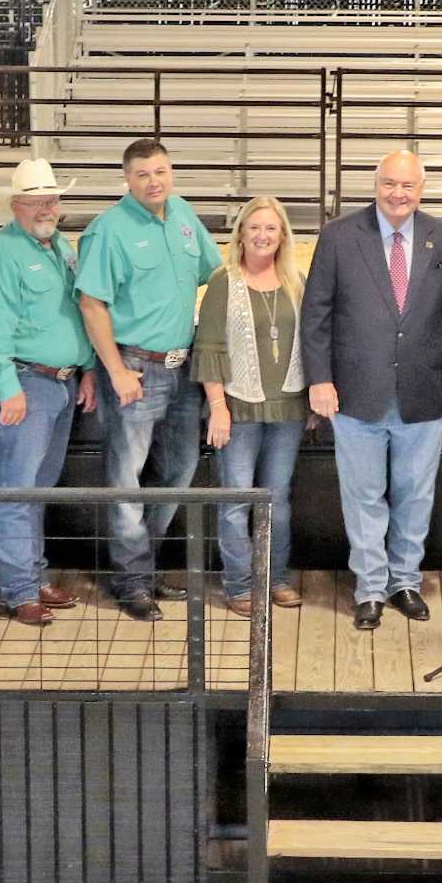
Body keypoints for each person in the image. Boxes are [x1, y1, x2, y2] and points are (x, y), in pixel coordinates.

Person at [302, 150, 442, 631]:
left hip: (425, 394)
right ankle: (371, 588)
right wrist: (320, 379)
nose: (398, 194)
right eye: (389, 184)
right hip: (356, 395)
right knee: (362, 497)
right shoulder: (338, 236)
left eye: (408, 186)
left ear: (422, 189)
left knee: (415, 496)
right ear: (375, 184)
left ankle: (406, 582)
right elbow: (315, 314)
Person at [76, 139, 222, 622]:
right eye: (142, 174)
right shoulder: (108, 231)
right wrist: (115, 369)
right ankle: (131, 581)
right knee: (126, 477)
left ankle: (144, 565)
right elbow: (91, 303)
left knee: (178, 471)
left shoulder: (181, 214)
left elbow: (213, 273)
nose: (153, 181)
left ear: (171, 171)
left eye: (160, 171)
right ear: (127, 178)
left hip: (184, 367)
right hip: (135, 367)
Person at [0, 159, 95, 626]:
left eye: (51, 199)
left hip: (60, 382)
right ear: (15, 205)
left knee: (37, 489)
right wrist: (7, 387)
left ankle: (31, 575)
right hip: (26, 382)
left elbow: (73, 316)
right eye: (35, 200)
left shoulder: (61, 248)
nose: (46, 207)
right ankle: (18, 588)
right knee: (16, 489)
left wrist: (85, 369)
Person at [194, 196, 310, 619]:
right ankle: (240, 584)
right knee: (237, 500)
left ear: (283, 236)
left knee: (278, 498)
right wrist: (218, 406)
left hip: (288, 409)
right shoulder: (224, 281)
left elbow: (311, 343)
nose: (263, 236)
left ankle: (276, 578)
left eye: (271, 229)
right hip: (237, 408)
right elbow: (209, 348)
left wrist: (311, 397)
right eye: (254, 227)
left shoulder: (297, 281)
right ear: (241, 232)